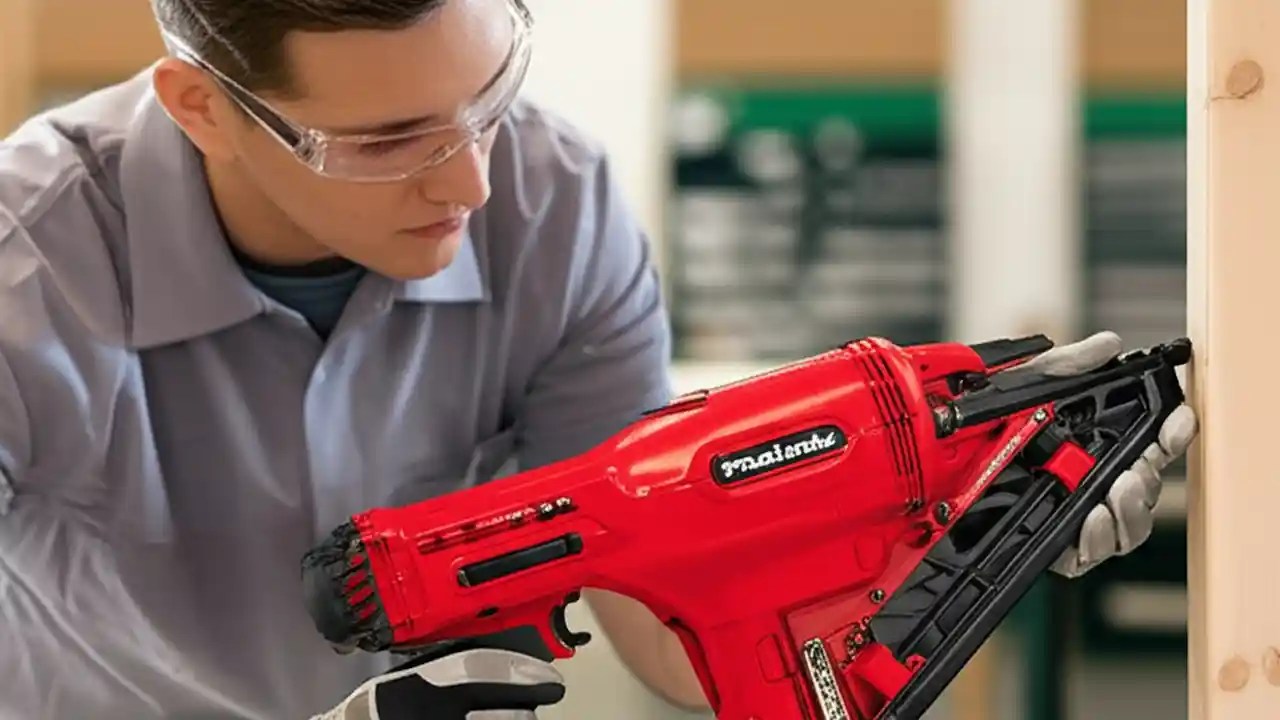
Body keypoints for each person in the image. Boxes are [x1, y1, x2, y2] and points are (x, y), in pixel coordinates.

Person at [0, 0, 1197, 718]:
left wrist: (959, 530)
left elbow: (665, 627)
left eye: (487, 96)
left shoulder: (557, 203)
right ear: (200, 107)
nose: (471, 181)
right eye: (387, 141)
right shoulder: (26, 267)